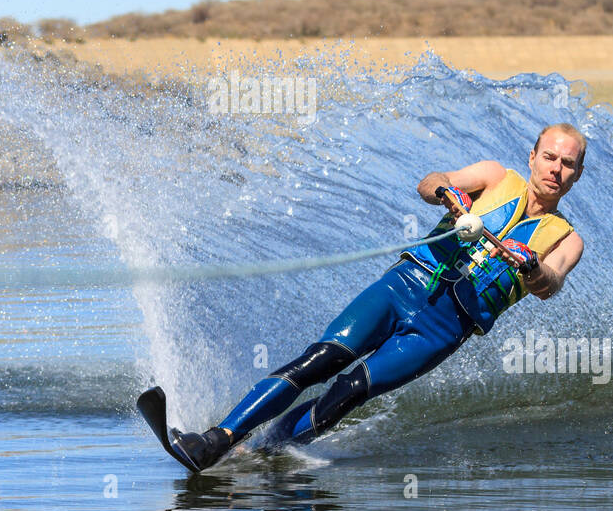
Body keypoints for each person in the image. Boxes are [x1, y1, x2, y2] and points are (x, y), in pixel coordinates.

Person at [165, 122, 588, 472]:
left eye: (567, 164)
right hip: (405, 284)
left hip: (442, 329)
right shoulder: (495, 176)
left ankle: (255, 455)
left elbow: (551, 283)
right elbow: (430, 182)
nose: (555, 169)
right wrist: (448, 194)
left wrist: (532, 266)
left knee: (347, 391)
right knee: (321, 361)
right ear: (533, 157)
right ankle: (217, 439)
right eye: (549, 157)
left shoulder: (567, 239)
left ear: (577, 174)